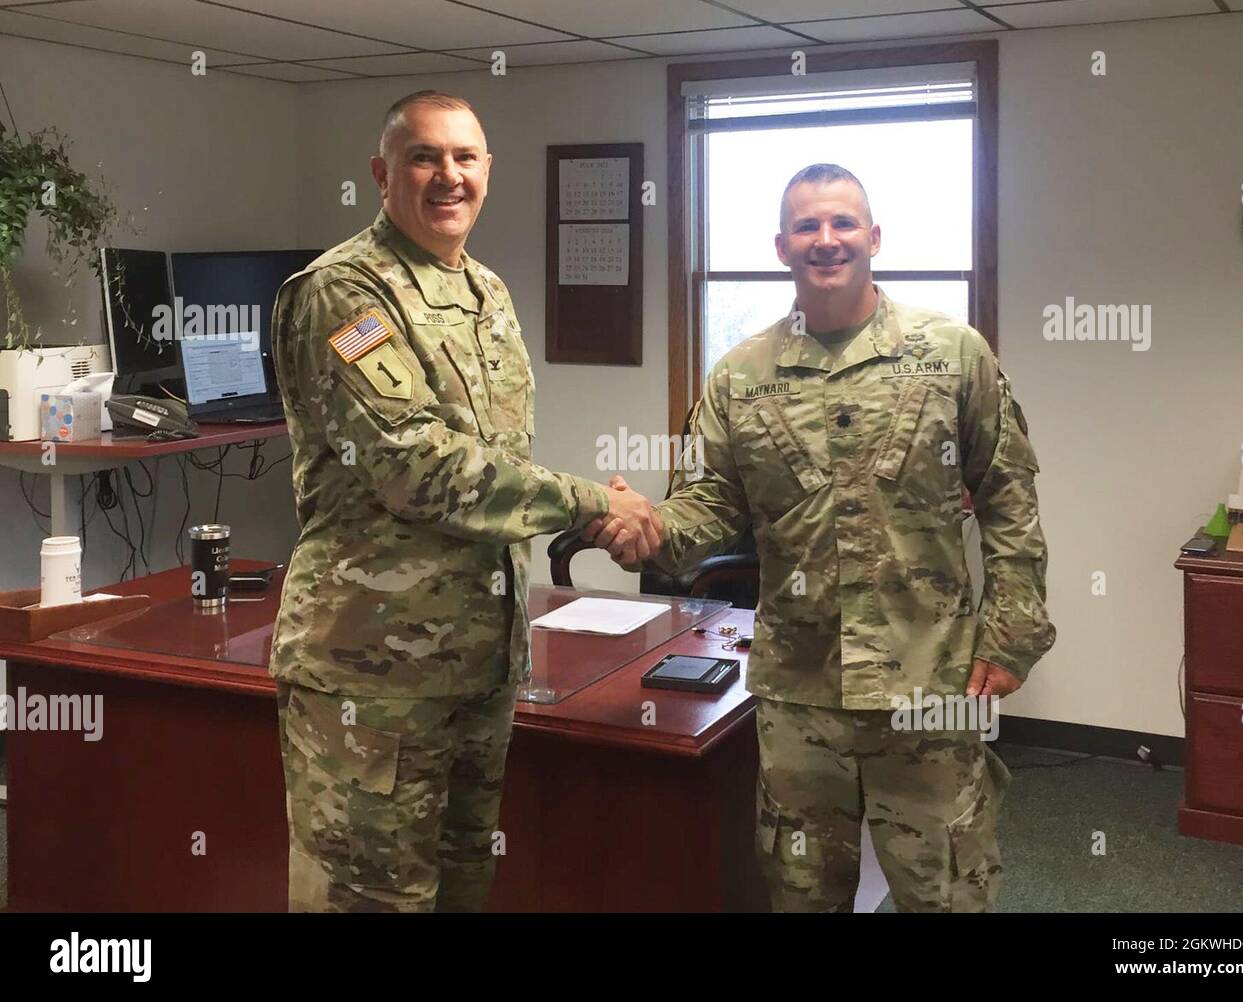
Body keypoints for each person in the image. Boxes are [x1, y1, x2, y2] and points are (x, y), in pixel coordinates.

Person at [587, 163, 1055, 912]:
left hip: (929, 681)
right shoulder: (742, 374)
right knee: (802, 890)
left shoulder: (952, 354)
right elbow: (709, 504)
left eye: (843, 224)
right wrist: (646, 529)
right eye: (808, 226)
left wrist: (1012, 632)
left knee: (947, 888)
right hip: (800, 689)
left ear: (874, 237)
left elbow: (1008, 494)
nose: (826, 240)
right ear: (782, 246)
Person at [269, 89, 659, 912]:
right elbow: (420, 468)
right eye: (424, 157)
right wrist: (593, 502)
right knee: (373, 898)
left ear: (488, 171)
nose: (448, 176)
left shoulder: (486, 293)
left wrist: (592, 514)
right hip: (372, 677)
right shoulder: (345, 296)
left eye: (465, 157)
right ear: (382, 174)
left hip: (477, 665)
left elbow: (493, 468)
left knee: (462, 886)